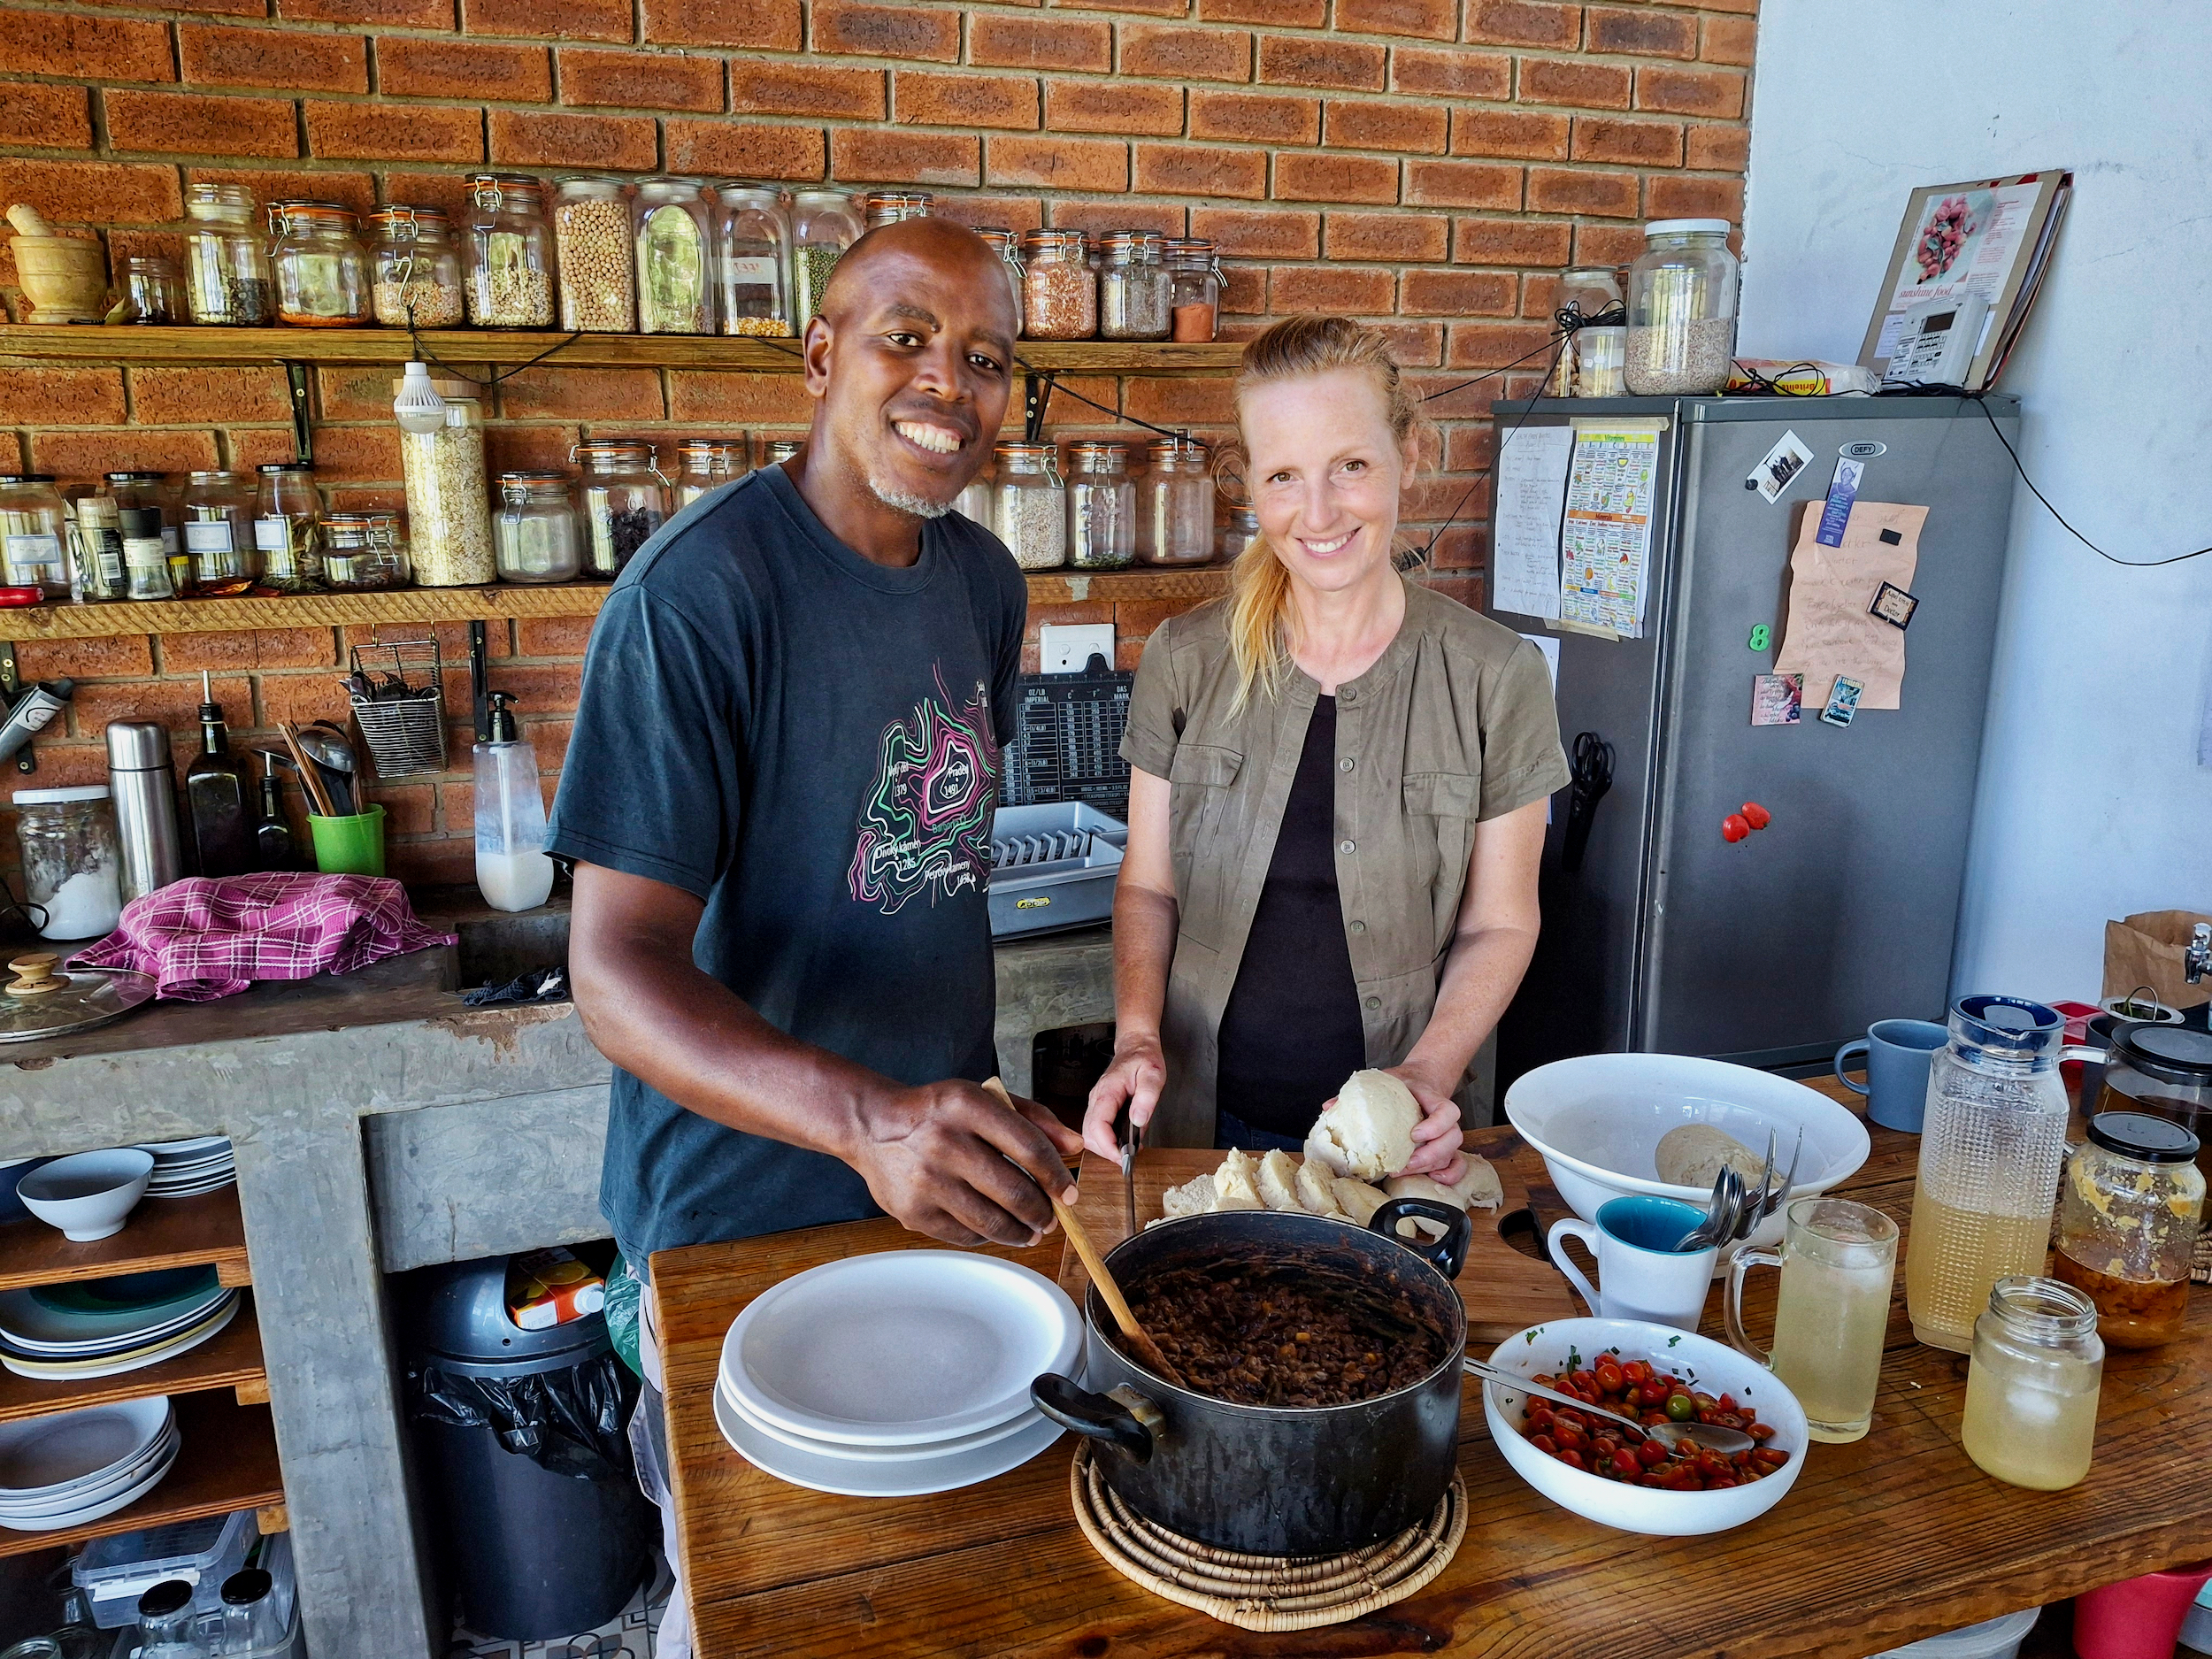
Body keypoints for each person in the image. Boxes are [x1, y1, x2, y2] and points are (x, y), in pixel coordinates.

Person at [548, 218, 1082, 1658]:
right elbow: (615, 966)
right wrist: (865, 1117)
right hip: (736, 1230)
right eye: (906, 337)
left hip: (935, 1201)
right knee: (764, 1617)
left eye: (986, 358)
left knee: (961, 1603)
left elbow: (904, 866)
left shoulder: (984, 583)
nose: (947, 385)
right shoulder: (701, 593)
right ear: (820, 354)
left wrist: (942, 1124)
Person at [1084, 315, 1570, 1180]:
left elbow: (1501, 920)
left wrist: (1426, 1072)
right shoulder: (1185, 660)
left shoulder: (1498, 675)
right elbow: (1148, 887)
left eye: (1350, 465)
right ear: (1253, 487)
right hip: (1204, 1130)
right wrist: (1136, 1037)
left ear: (1409, 455)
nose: (1317, 513)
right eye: (1283, 476)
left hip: (1400, 1147)